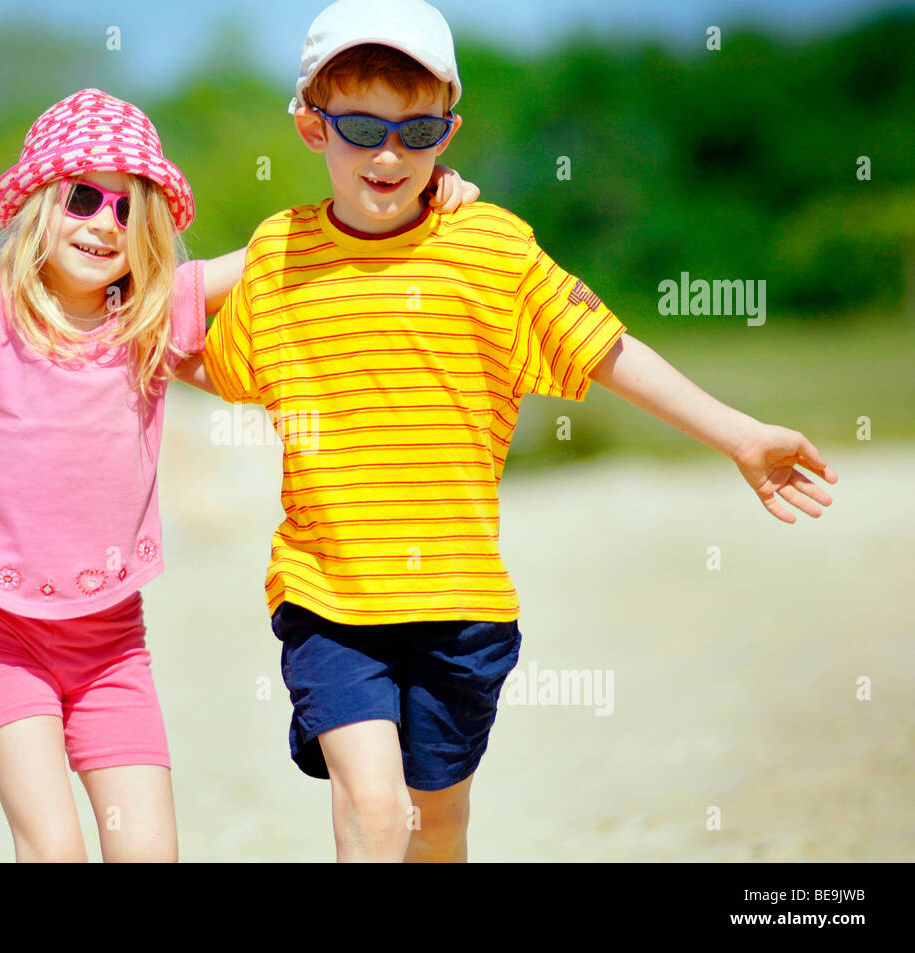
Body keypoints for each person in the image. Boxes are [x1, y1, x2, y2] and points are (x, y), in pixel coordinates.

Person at [0, 27, 478, 862]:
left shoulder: (151, 319)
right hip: (2, 643)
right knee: (55, 849)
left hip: (114, 645)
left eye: (126, 206)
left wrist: (416, 193)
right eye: (83, 196)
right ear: (41, 201)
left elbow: (281, 249)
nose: (104, 222)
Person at [177, 0, 840, 862]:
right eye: (361, 125)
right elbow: (197, 349)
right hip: (327, 598)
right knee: (372, 808)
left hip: (461, 606)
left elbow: (606, 349)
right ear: (311, 126)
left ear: (449, 131)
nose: (388, 153)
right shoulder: (277, 257)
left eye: (417, 132)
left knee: (435, 820)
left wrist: (738, 433)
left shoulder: (492, 247)